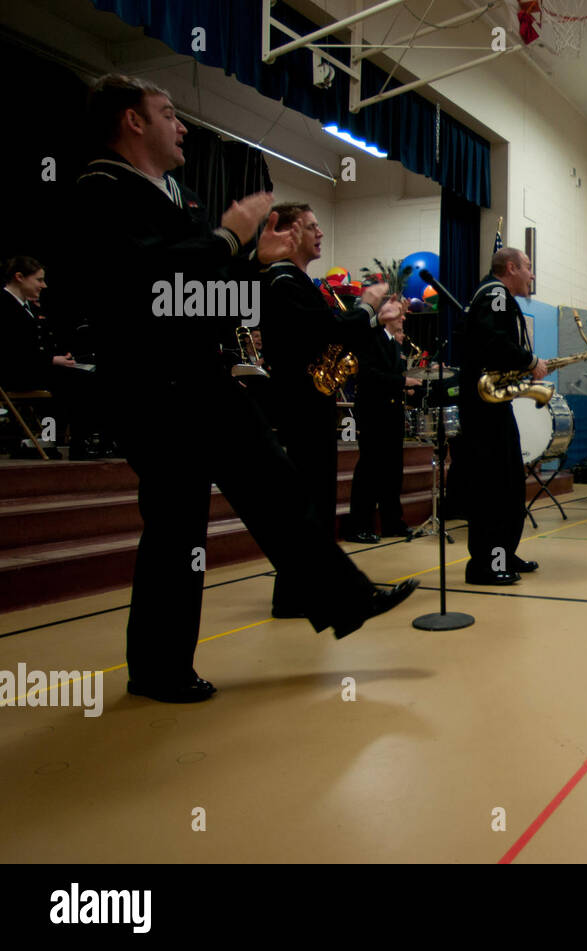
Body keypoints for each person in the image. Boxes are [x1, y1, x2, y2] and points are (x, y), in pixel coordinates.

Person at [77, 74, 416, 702]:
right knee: (178, 527)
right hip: (156, 386)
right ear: (132, 121)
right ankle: (158, 668)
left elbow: (206, 294)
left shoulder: (168, 192)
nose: (182, 127)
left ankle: (345, 596)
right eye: (168, 113)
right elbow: (155, 285)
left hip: (200, 379)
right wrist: (231, 236)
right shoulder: (102, 189)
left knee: (276, 487)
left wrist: (247, 262)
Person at [259, 203, 390, 613]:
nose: (320, 233)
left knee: (315, 498)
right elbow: (329, 331)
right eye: (312, 226)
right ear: (290, 230)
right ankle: (304, 595)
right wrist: (366, 307)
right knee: (308, 500)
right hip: (299, 404)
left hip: (311, 401)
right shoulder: (282, 280)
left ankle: (305, 594)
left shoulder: (297, 280)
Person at [456, 247, 547, 585]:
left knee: (508, 483)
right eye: (528, 267)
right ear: (510, 268)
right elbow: (492, 341)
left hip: (492, 403)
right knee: (494, 487)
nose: (532, 275)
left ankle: (503, 554)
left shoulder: (494, 295)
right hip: (484, 406)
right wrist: (528, 361)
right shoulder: (495, 294)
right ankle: (486, 564)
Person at [0, 256, 104, 458]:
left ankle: (48, 440)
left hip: (33, 368)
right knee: (78, 381)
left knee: (86, 373)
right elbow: (11, 351)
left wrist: (57, 356)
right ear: (20, 277)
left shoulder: (26, 306)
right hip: (13, 374)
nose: (43, 285)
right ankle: (79, 444)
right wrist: (51, 360)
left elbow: (33, 345)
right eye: (38, 280)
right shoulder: (4, 306)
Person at [345, 298, 420, 543]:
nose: (404, 318)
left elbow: (391, 373)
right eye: (400, 313)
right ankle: (359, 525)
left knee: (392, 472)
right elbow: (368, 375)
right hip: (374, 413)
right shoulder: (371, 338)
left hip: (392, 414)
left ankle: (392, 522)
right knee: (369, 470)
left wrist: (406, 387)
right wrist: (401, 382)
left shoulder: (394, 343)